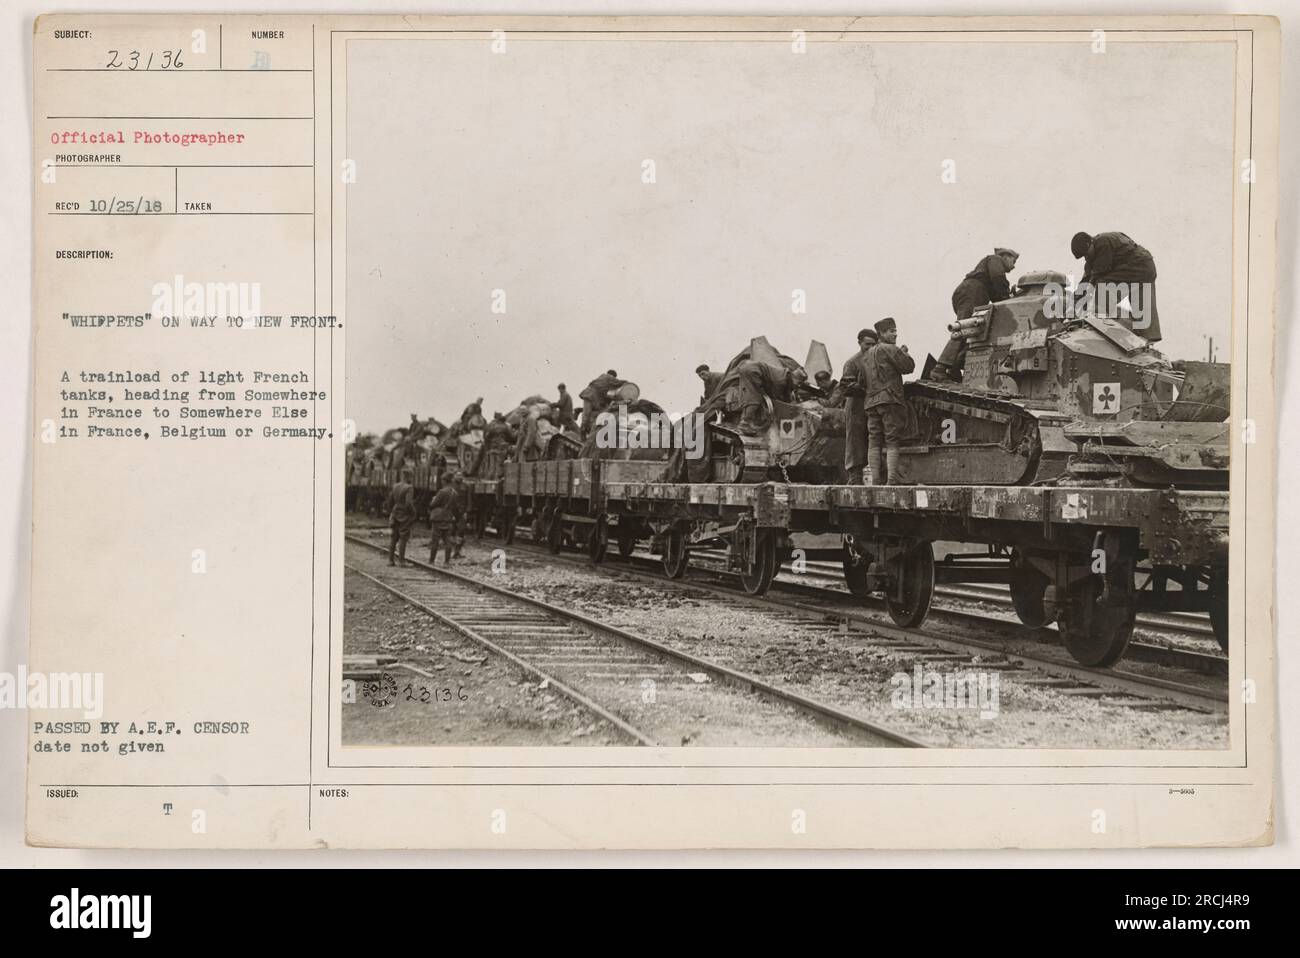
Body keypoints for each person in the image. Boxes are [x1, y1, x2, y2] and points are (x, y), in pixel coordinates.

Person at [932, 247, 1019, 381]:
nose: (1013, 266)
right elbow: (998, 279)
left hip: (972, 292)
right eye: (1013, 261)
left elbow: (997, 298)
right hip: (973, 292)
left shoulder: (988, 269)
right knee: (965, 329)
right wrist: (1008, 296)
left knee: (972, 332)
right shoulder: (995, 259)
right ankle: (940, 369)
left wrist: (1007, 297)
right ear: (1005, 257)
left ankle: (952, 369)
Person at [1070, 231, 1161, 342]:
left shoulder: (1103, 243)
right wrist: (1075, 298)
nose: (1086, 258)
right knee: (1142, 307)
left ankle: (1102, 323)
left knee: (1103, 287)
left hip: (1138, 265)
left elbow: (1096, 275)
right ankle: (1147, 337)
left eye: (1086, 254)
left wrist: (1082, 303)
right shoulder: (1095, 250)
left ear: (1089, 244)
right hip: (1145, 267)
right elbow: (1086, 279)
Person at [863, 317, 915, 485]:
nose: (895, 334)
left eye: (895, 330)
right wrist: (904, 353)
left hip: (871, 403)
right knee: (892, 439)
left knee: (874, 440)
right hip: (889, 399)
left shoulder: (866, 355)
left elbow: (861, 379)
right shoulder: (889, 348)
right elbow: (908, 367)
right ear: (882, 333)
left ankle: (876, 480)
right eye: (891, 331)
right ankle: (892, 480)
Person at [838, 328, 879, 483]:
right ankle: (855, 476)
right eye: (867, 344)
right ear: (859, 343)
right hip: (856, 406)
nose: (870, 347)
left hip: (873, 405)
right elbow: (845, 386)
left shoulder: (878, 360)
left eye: (873, 344)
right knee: (855, 440)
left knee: (874, 438)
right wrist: (862, 387)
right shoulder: (852, 362)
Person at [384, 469, 417, 566]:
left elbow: (390, 501)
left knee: (394, 537)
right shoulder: (409, 488)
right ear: (409, 477)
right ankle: (401, 561)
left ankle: (390, 560)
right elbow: (408, 503)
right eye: (411, 477)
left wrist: (392, 512)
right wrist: (413, 513)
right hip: (404, 515)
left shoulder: (395, 486)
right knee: (403, 537)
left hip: (395, 513)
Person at [427, 476, 462, 564]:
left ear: (445, 481)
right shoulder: (455, 493)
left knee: (435, 540)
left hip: (438, 519)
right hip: (448, 519)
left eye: (442, 480)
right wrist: (457, 519)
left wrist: (433, 501)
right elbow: (456, 508)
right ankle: (446, 562)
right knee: (448, 541)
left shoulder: (442, 492)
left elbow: (433, 504)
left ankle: (431, 561)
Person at [451, 473, 470, 557]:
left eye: (460, 475)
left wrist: (467, 511)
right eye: (457, 475)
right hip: (453, 510)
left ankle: (457, 551)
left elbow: (469, 499)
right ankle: (452, 550)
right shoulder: (451, 485)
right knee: (452, 530)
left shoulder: (466, 486)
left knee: (461, 530)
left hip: (462, 511)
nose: (459, 477)